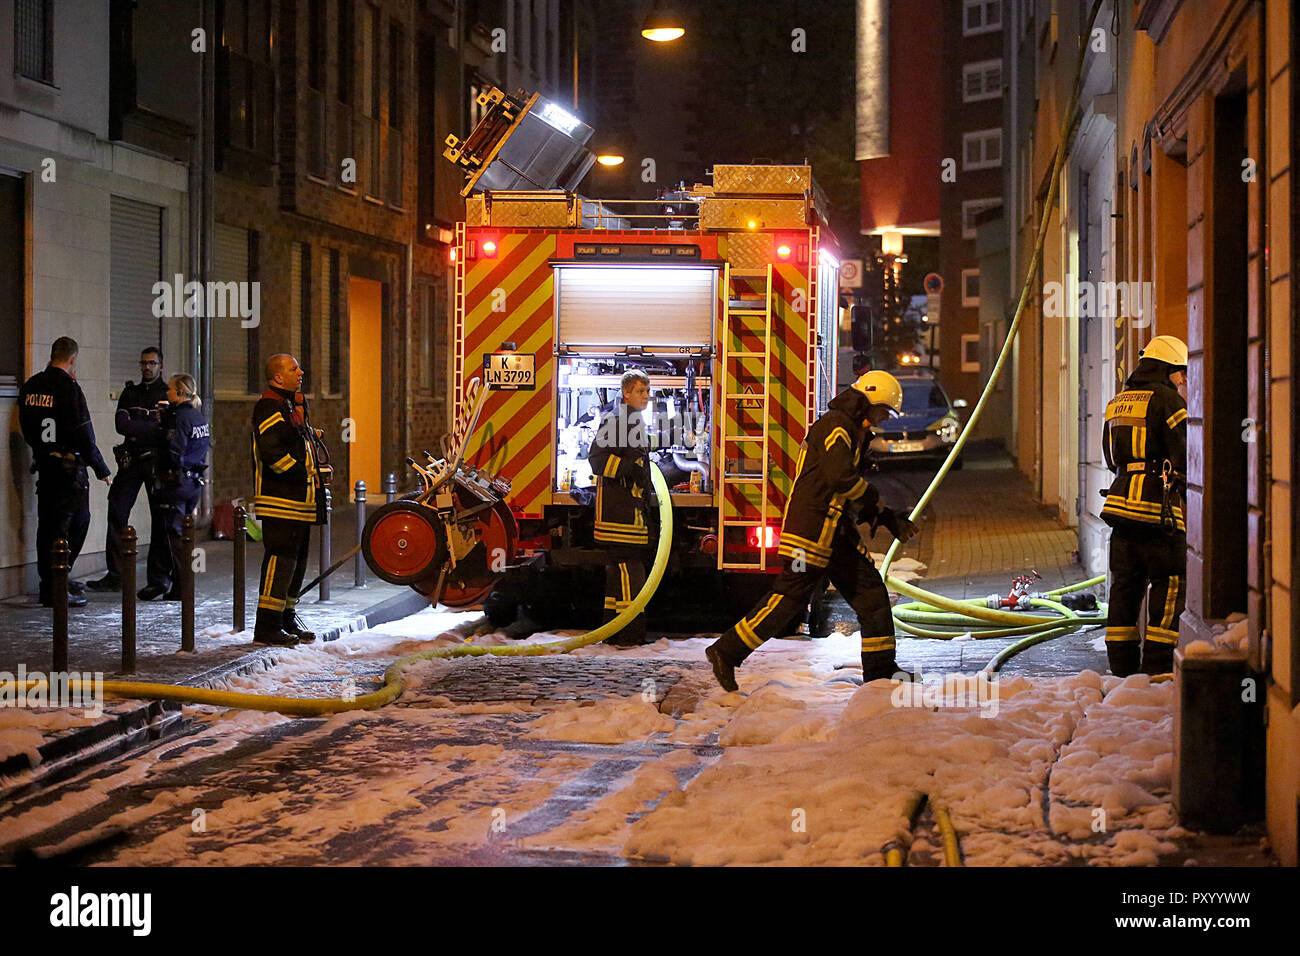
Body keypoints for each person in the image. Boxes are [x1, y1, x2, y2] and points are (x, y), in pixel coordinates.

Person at [705, 371, 917, 691]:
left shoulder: (849, 428)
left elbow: (840, 487)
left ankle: (881, 671)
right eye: (883, 411)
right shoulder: (836, 427)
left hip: (834, 535)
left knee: (872, 596)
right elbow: (840, 478)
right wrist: (879, 506)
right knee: (788, 599)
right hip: (811, 535)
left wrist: (884, 516)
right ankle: (726, 651)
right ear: (869, 402)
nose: (884, 419)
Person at [1100, 334, 1189, 677]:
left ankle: (1121, 669)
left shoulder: (1117, 402)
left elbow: (1110, 458)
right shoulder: (1170, 401)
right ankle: (1158, 668)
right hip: (1159, 511)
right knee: (1170, 584)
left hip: (1121, 508)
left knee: (1125, 586)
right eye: (1180, 372)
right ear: (1167, 368)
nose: (1182, 379)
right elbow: (1186, 453)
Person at [17, 337, 112, 608]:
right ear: (73, 360)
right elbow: (84, 432)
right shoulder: (69, 388)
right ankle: (56, 584)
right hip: (69, 469)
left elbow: (27, 427)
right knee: (76, 522)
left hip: (46, 465)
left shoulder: (31, 385)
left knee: (48, 525)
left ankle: (52, 581)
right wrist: (100, 468)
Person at [251, 354, 328, 646]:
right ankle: (267, 626)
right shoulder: (269, 406)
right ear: (278, 377)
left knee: (296, 561)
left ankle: (285, 616)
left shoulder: (290, 404)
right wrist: (302, 473)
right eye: (293, 368)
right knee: (280, 560)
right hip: (280, 499)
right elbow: (271, 452)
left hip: (300, 500)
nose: (301, 371)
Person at [89, 347, 173, 598]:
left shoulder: (167, 393)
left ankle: (158, 579)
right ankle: (116, 575)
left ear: (160, 365)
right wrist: (151, 426)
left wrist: (139, 429)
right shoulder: (131, 392)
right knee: (117, 509)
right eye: (144, 363)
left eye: (152, 363)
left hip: (156, 461)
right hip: (132, 460)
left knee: (160, 518)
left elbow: (164, 429)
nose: (147, 367)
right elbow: (120, 425)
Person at [122, 375, 210, 600]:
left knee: (174, 538)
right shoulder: (198, 417)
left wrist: (160, 441)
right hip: (193, 482)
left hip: (177, 483)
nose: (167, 393)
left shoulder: (180, 419)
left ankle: (181, 587)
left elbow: (174, 451)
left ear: (180, 392)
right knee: (182, 536)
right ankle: (175, 584)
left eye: (171, 389)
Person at [586, 369, 655, 646]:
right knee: (630, 573)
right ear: (626, 393)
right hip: (619, 516)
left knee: (618, 575)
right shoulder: (617, 420)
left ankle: (613, 630)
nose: (646, 396)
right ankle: (629, 633)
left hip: (626, 514)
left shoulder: (630, 420)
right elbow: (597, 458)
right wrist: (629, 470)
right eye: (640, 391)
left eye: (647, 391)